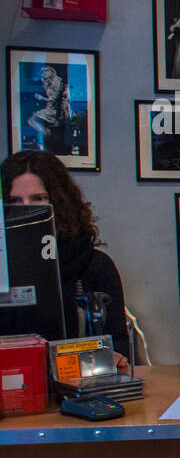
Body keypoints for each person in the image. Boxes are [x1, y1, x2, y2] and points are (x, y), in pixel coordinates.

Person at [1, 151, 131, 370]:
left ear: (59, 202)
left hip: (78, 388)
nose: (26, 211)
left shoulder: (94, 265)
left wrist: (114, 356)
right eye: (14, 201)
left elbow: (119, 343)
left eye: (38, 199)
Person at [26, 66, 73, 155]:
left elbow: (54, 99)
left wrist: (41, 98)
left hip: (55, 113)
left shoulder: (56, 83)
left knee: (33, 120)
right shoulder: (49, 83)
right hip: (55, 117)